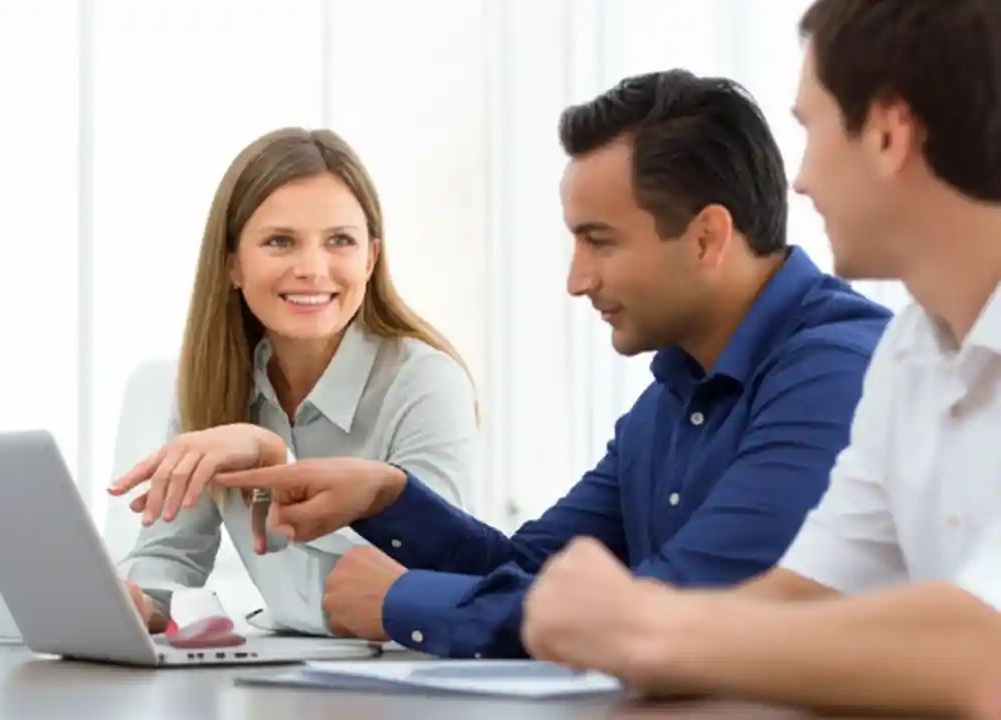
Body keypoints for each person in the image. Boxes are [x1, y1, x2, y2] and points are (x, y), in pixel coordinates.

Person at [213, 71, 892, 657]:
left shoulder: (836, 369)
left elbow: (685, 602)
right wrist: (389, 497)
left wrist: (405, 605)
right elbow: (530, 567)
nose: (575, 280)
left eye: (598, 242)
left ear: (707, 237)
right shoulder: (673, 397)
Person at [516, 1, 1001, 716]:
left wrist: (646, 626)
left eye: (810, 129)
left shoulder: (840, 356)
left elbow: (983, 654)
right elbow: (806, 590)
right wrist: (639, 633)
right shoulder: (909, 353)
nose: (797, 181)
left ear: (890, 134)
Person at [106, 127, 478, 636]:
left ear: (370, 259)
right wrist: (141, 606)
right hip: (284, 669)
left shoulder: (426, 382)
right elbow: (170, 556)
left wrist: (278, 465)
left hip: (405, 677)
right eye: (281, 241)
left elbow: (442, 568)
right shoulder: (214, 383)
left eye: (339, 242)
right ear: (232, 263)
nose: (312, 268)